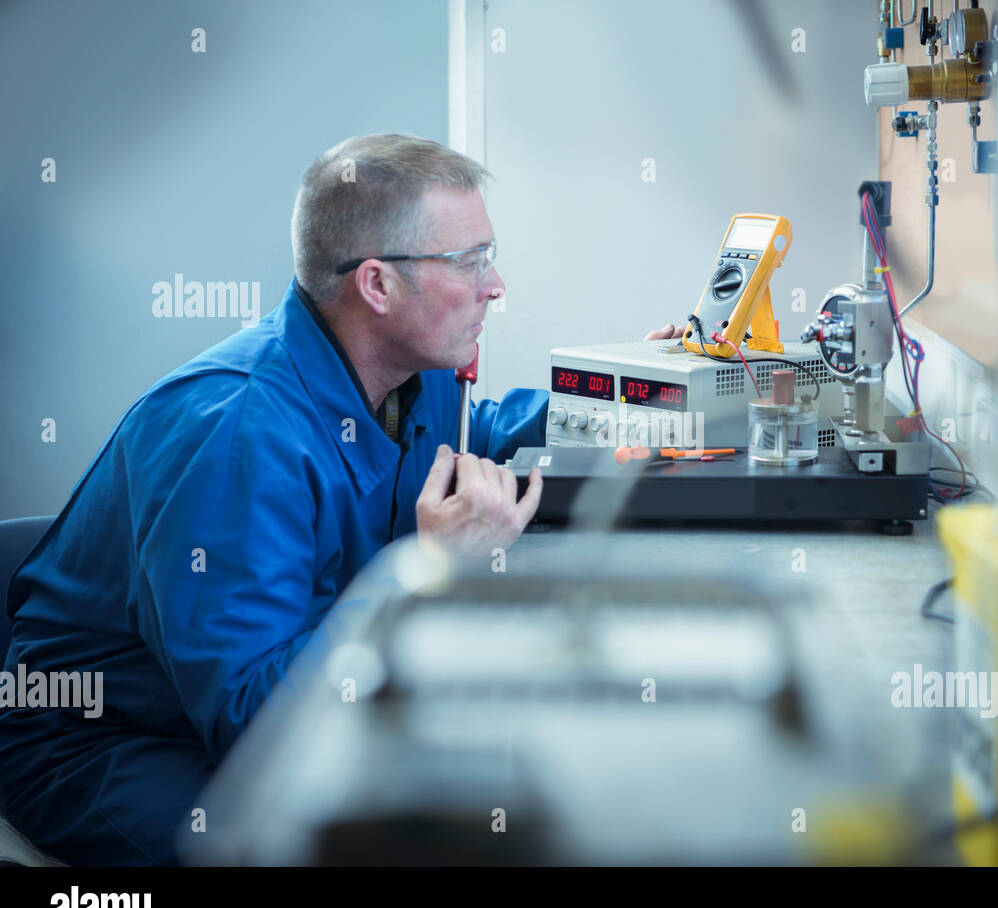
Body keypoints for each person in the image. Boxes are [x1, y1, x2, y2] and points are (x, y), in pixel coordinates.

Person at [0, 133, 682, 865]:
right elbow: (253, 719)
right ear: (378, 286)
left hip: (243, 718)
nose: (496, 285)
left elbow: (491, 429)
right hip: (111, 742)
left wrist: (643, 393)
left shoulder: (407, 383)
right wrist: (425, 572)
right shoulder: (236, 434)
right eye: (470, 260)